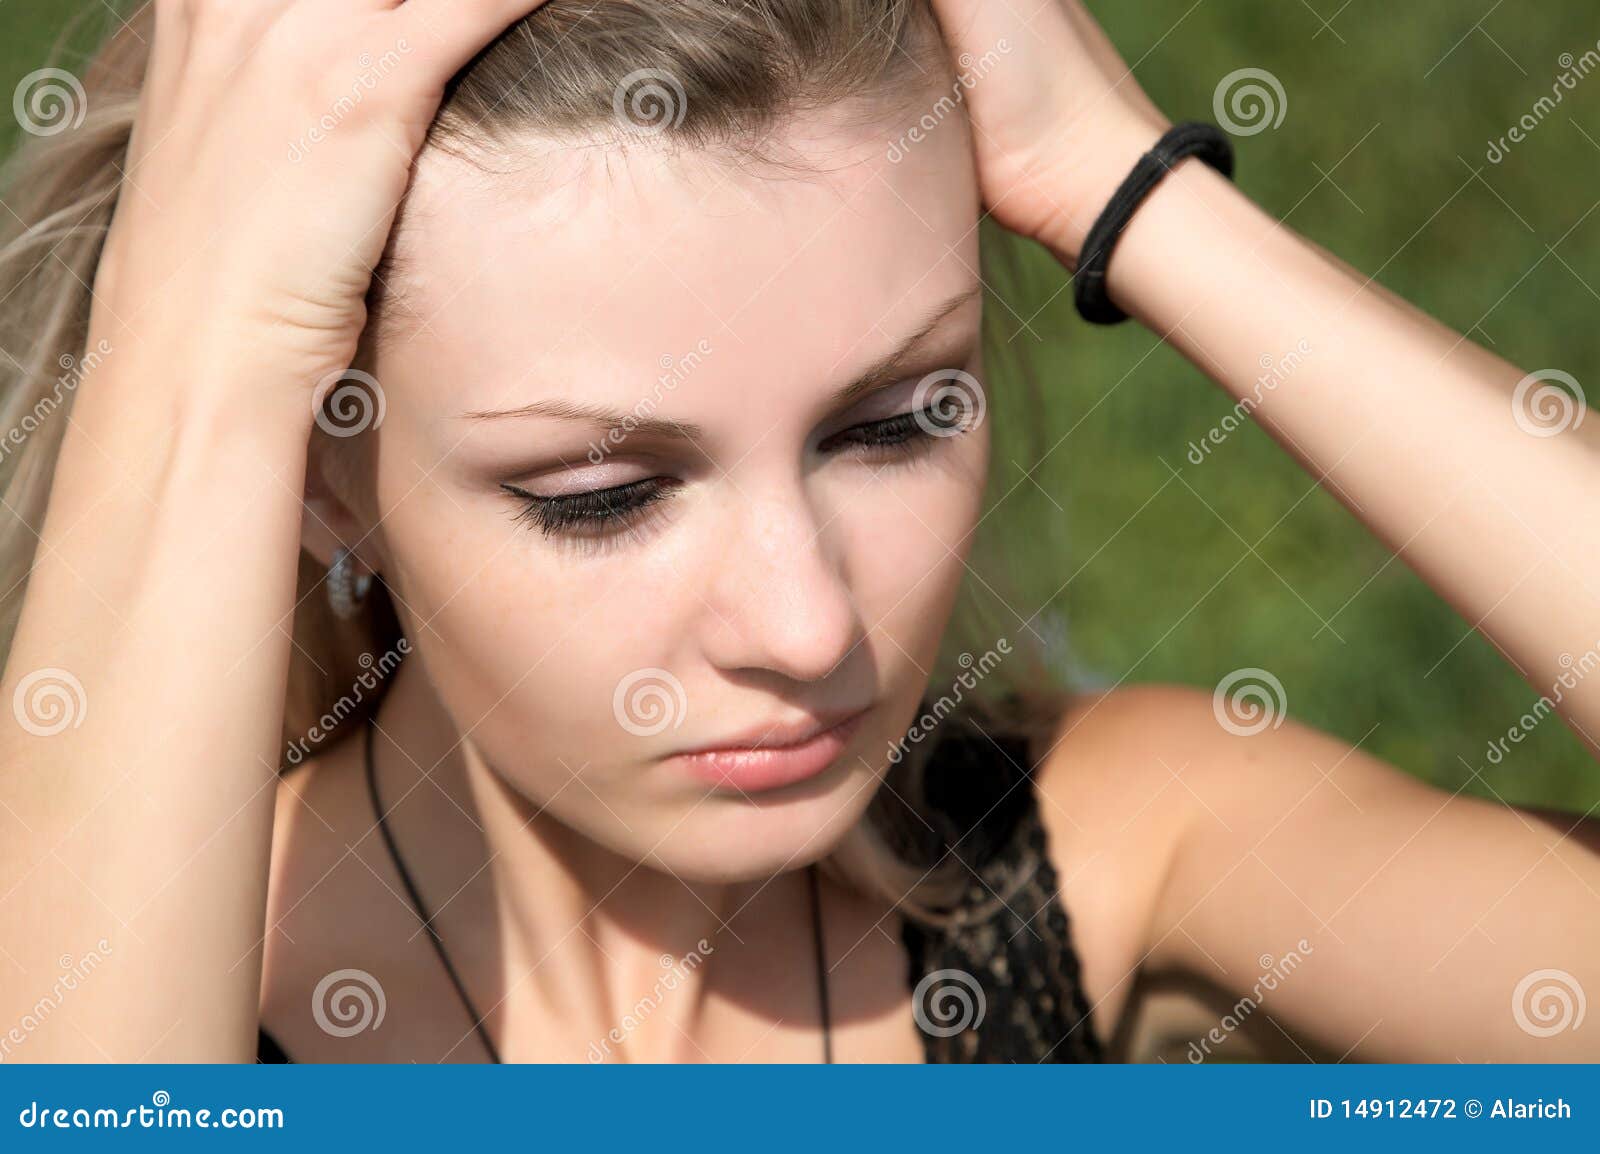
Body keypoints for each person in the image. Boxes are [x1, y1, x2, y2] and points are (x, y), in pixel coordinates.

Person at [0, 0, 1593, 1064]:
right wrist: (195, 350)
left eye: (895, 422)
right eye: (603, 494)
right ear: (321, 475)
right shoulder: (166, 986)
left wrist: (1133, 188)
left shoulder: (1093, 852)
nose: (810, 624)